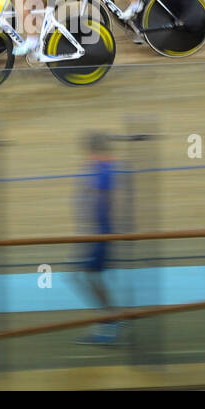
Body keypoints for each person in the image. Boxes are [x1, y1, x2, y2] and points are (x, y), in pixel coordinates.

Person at [75, 132, 123, 345]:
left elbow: (100, 202)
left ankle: (110, 321)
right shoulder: (103, 167)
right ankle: (111, 317)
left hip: (99, 232)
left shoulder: (102, 168)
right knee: (87, 276)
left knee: (85, 275)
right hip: (99, 232)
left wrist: (92, 234)